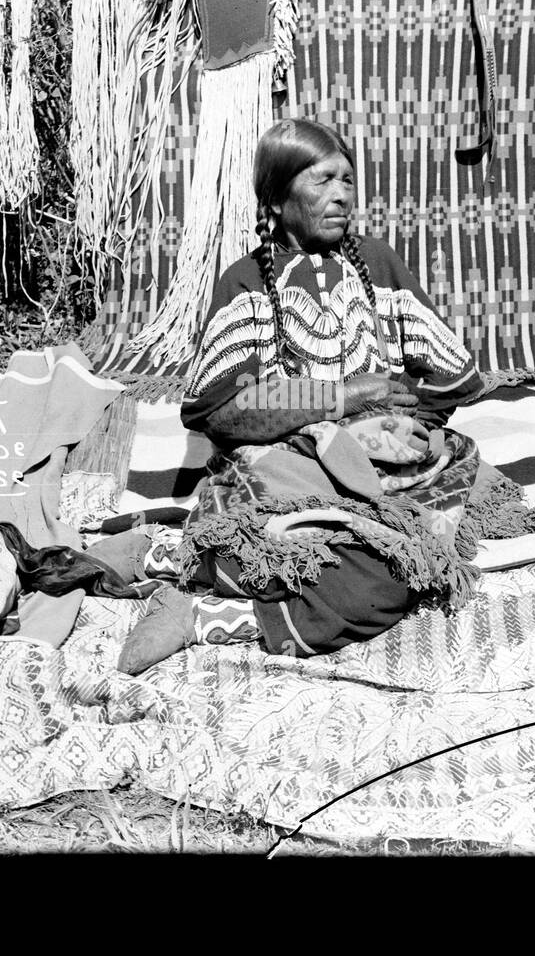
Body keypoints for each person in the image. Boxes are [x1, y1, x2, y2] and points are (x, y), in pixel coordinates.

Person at [116, 118, 503, 676]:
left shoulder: (377, 262)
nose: (342, 195)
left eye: (348, 180)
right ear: (274, 199)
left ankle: (199, 601)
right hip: (286, 474)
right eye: (322, 181)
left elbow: (453, 375)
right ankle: (171, 563)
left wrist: (396, 426)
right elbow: (214, 412)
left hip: (383, 479)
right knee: (328, 561)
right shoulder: (245, 281)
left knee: (412, 564)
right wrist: (340, 399)